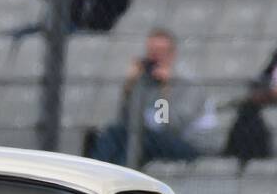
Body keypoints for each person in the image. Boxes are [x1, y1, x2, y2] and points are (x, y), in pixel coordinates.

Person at [88, 29, 209, 167]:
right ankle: (98, 172)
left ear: (172, 55)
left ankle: (118, 177)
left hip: (185, 143)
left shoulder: (187, 86)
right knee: (114, 132)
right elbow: (126, 120)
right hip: (148, 139)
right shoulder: (145, 84)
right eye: (152, 53)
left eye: (160, 53)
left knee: (136, 140)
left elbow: (171, 127)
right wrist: (129, 87)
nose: (155, 59)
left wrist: (166, 89)